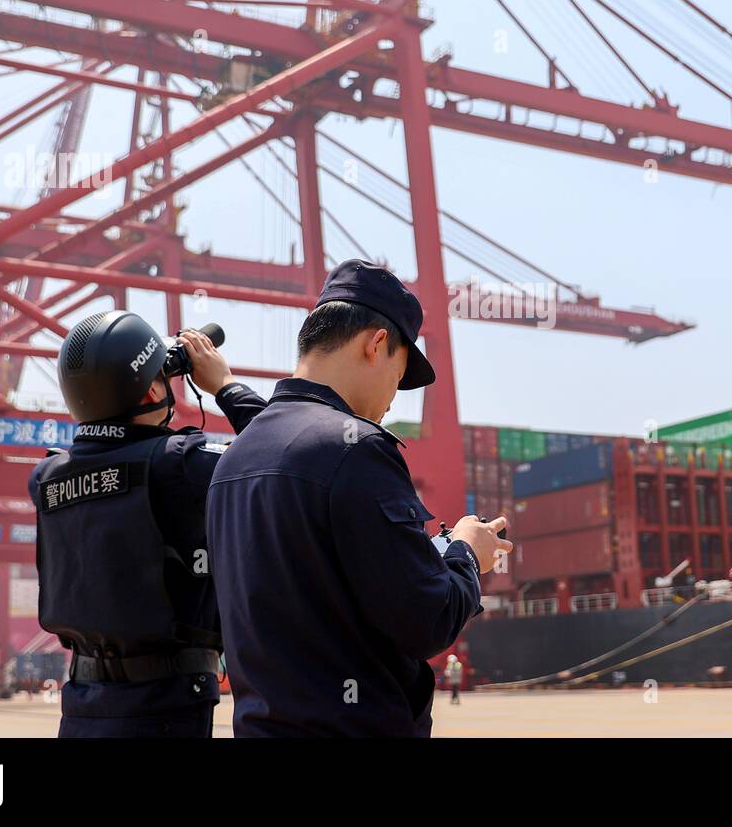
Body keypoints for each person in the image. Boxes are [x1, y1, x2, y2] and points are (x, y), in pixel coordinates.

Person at [208, 259, 512, 737]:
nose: (393, 398)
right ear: (376, 344)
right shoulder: (357, 448)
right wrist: (466, 553)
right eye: (400, 372)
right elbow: (427, 619)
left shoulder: (231, 459)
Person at [30, 311, 267, 737]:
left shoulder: (46, 477)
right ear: (152, 390)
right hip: (165, 706)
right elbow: (282, 454)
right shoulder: (179, 464)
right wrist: (225, 385)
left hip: (82, 704)